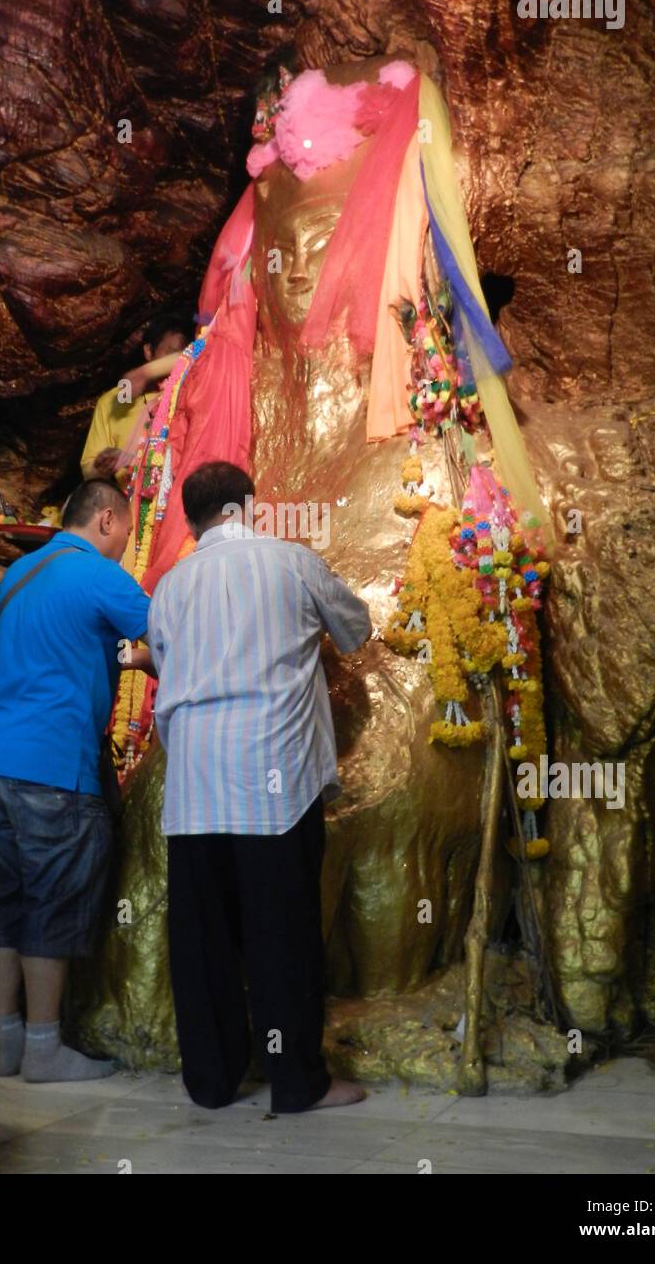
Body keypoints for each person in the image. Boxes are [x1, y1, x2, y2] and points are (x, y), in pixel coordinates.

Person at [147, 460, 372, 1113]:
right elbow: (354, 628)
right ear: (247, 506)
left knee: (202, 940)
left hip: (192, 787)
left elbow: (165, 661)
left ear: (190, 520)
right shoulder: (289, 562)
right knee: (283, 934)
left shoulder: (169, 586)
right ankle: (298, 1084)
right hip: (273, 780)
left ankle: (212, 1082)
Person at [0, 479, 153, 1082]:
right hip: (52, 766)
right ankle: (46, 1050)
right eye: (124, 532)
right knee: (51, 900)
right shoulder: (96, 573)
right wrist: (145, 658)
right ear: (105, 520)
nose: (124, 546)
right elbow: (168, 635)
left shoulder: (16, 576)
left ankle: (10, 1043)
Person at [81, 311, 190, 483]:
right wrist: (103, 465)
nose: (177, 364)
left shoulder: (191, 397)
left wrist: (131, 460)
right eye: (170, 353)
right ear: (148, 351)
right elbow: (89, 471)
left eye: (185, 356)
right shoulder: (114, 401)